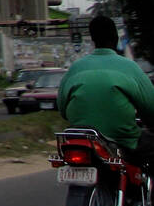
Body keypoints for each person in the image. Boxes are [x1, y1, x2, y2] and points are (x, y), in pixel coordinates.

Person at [57, 15, 154, 166]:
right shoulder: (130, 67)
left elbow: (62, 109)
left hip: (81, 137)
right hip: (123, 141)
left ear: (93, 40)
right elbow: (150, 108)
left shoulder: (75, 68)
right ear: (115, 38)